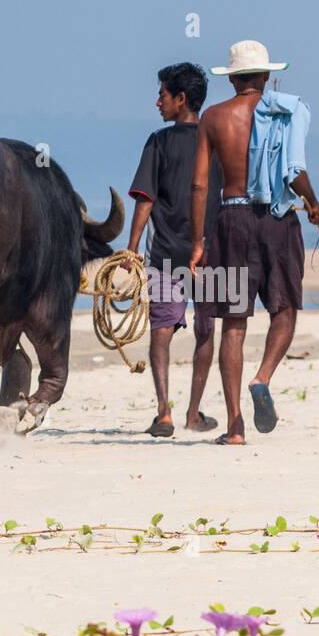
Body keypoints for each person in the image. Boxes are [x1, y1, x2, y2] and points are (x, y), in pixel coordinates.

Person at [190, 40, 319, 445]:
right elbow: (294, 169)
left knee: (233, 322)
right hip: (277, 220)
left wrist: (199, 240)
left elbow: (198, 185)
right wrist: (313, 202)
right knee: (283, 307)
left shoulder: (213, 118)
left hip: (231, 217)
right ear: (266, 76)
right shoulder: (284, 112)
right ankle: (262, 376)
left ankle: (234, 427)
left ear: (231, 79)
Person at [125, 62, 222, 437]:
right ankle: (193, 413)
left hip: (166, 255)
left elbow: (145, 199)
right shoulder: (217, 139)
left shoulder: (159, 142)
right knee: (207, 329)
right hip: (213, 255)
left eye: (162, 95)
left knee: (162, 331)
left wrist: (132, 248)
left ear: (181, 100)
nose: (157, 102)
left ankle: (164, 412)